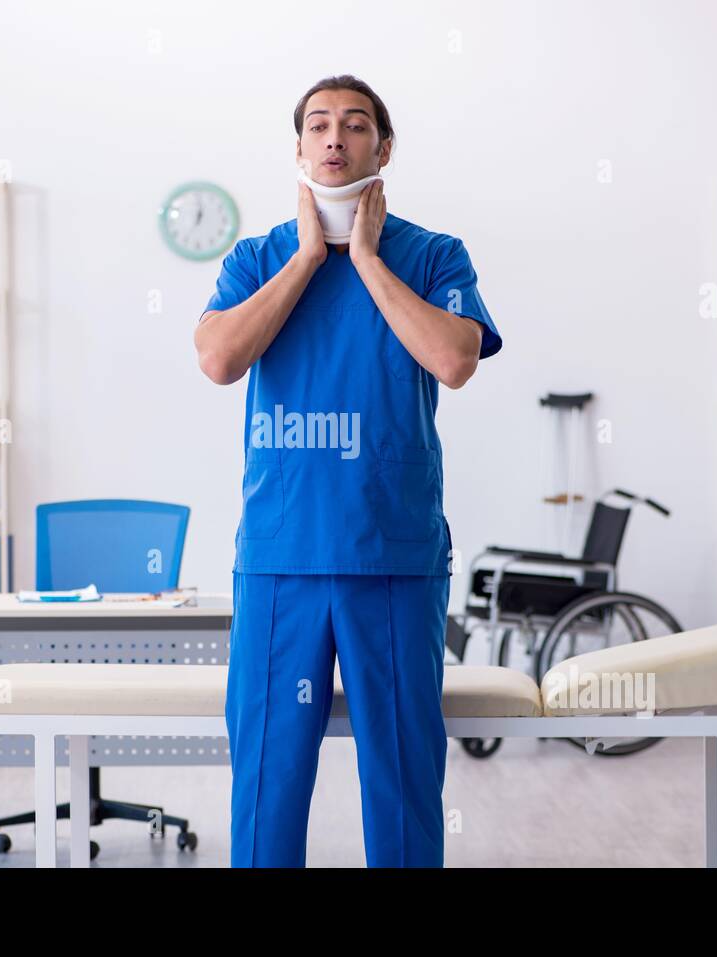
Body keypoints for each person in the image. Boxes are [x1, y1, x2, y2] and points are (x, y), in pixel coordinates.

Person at [194, 74, 503, 867]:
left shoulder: (433, 255)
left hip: (392, 559)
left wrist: (362, 256)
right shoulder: (257, 256)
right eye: (320, 125)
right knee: (266, 785)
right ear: (298, 148)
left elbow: (453, 358)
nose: (336, 138)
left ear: (384, 147)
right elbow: (220, 358)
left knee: (401, 784)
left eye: (356, 125)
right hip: (279, 559)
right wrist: (307, 257)